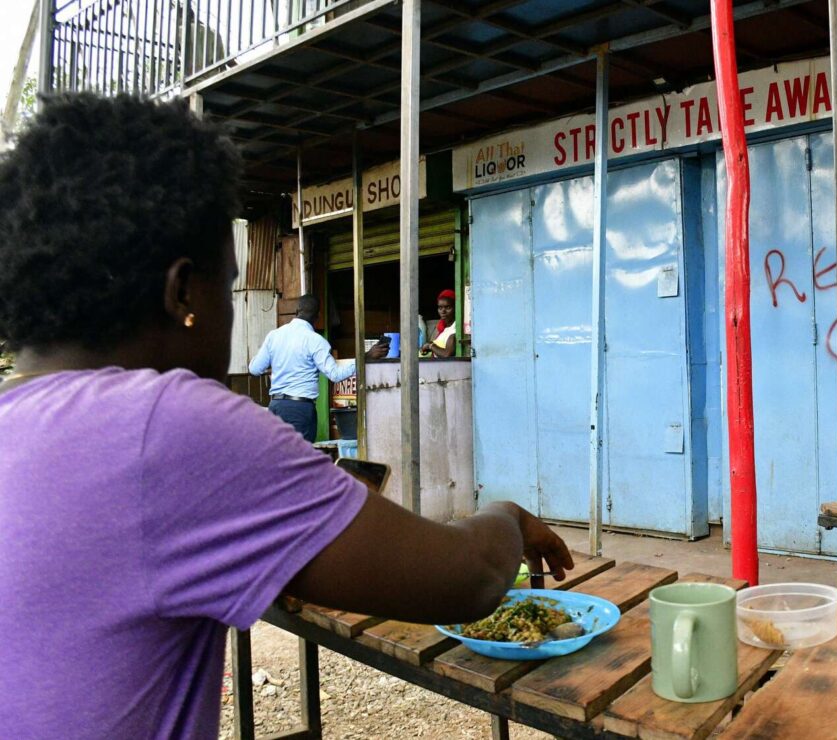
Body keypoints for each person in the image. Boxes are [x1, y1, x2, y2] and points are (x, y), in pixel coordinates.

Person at [0, 93, 573, 739]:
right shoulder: (166, 425)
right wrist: (507, 516)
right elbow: (467, 581)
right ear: (184, 291)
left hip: (283, 408)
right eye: (228, 282)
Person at [248, 294, 387, 442]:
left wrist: (278, 362)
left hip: (275, 407)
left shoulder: (274, 336)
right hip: (300, 410)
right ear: (318, 316)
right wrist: (365, 357)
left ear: (297, 311)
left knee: (277, 460)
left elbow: (255, 369)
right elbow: (335, 374)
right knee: (301, 461)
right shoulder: (315, 341)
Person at [421, 289, 458, 358]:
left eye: (448, 307)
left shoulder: (456, 328)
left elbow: (446, 354)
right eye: (440, 308)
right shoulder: (444, 329)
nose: (443, 311)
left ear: (456, 308)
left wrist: (430, 346)